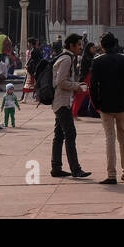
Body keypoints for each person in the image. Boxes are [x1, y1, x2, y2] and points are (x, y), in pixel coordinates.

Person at [89, 31, 124, 184]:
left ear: (102, 45)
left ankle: (111, 174)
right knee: (123, 138)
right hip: (121, 103)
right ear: (115, 43)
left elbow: (93, 86)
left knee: (110, 138)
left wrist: (97, 104)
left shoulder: (98, 61)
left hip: (105, 104)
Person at [49, 33, 91, 179]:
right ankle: (75, 169)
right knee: (70, 134)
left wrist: (76, 85)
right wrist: (76, 87)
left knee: (59, 135)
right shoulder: (67, 59)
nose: (81, 47)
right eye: (78, 44)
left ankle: (56, 167)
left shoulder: (67, 57)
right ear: (71, 46)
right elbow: (61, 81)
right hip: (62, 102)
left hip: (61, 100)